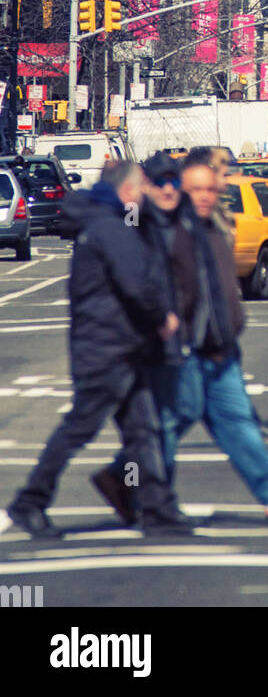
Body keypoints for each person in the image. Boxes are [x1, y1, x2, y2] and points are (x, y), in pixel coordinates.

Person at [3, 162, 192, 539]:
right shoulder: (112, 226)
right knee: (81, 426)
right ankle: (30, 500)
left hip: (118, 344)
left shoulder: (107, 221)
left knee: (143, 431)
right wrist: (161, 317)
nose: (143, 195)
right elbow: (136, 283)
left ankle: (157, 508)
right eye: (139, 188)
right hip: (106, 347)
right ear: (126, 191)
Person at [170, 156, 268, 517]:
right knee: (167, 425)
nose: (205, 196)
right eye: (196, 190)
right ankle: (128, 483)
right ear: (180, 191)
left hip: (219, 349)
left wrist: (230, 329)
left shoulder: (213, 228)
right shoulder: (171, 234)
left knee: (236, 422)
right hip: (188, 351)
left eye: (210, 188)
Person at [92, 153, 195, 524]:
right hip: (144, 341)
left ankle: (126, 481)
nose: (169, 188)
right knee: (156, 423)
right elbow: (135, 283)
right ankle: (153, 501)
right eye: (160, 182)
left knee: (173, 415)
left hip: (179, 338)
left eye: (174, 182)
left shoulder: (181, 219)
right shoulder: (137, 222)